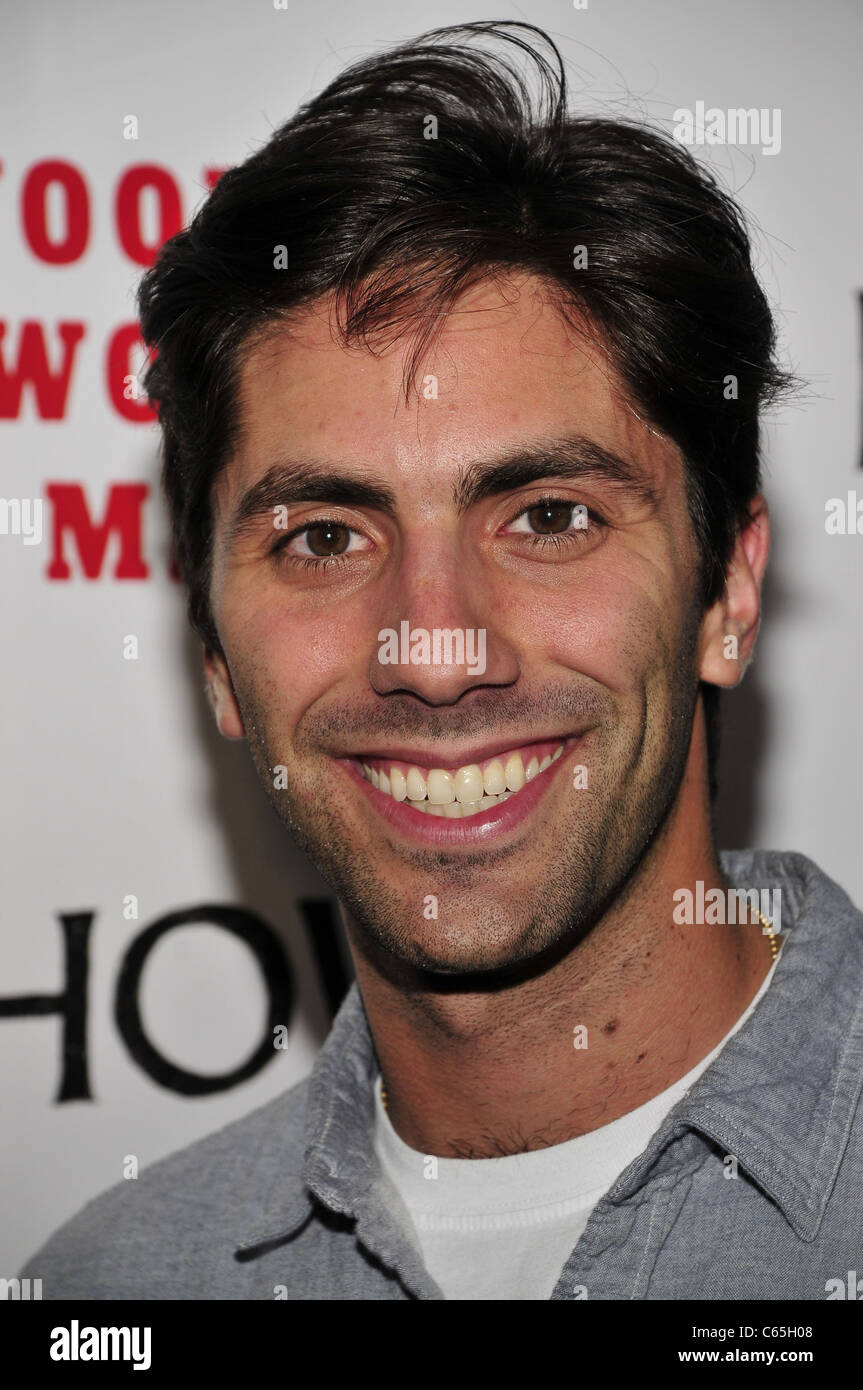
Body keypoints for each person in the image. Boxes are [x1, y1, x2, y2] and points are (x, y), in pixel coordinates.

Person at [21, 20, 863, 1301]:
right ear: (209, 651)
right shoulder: (109, 1288)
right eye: (322, 535)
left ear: (727, 588)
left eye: (549, 518)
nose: (432, 649)